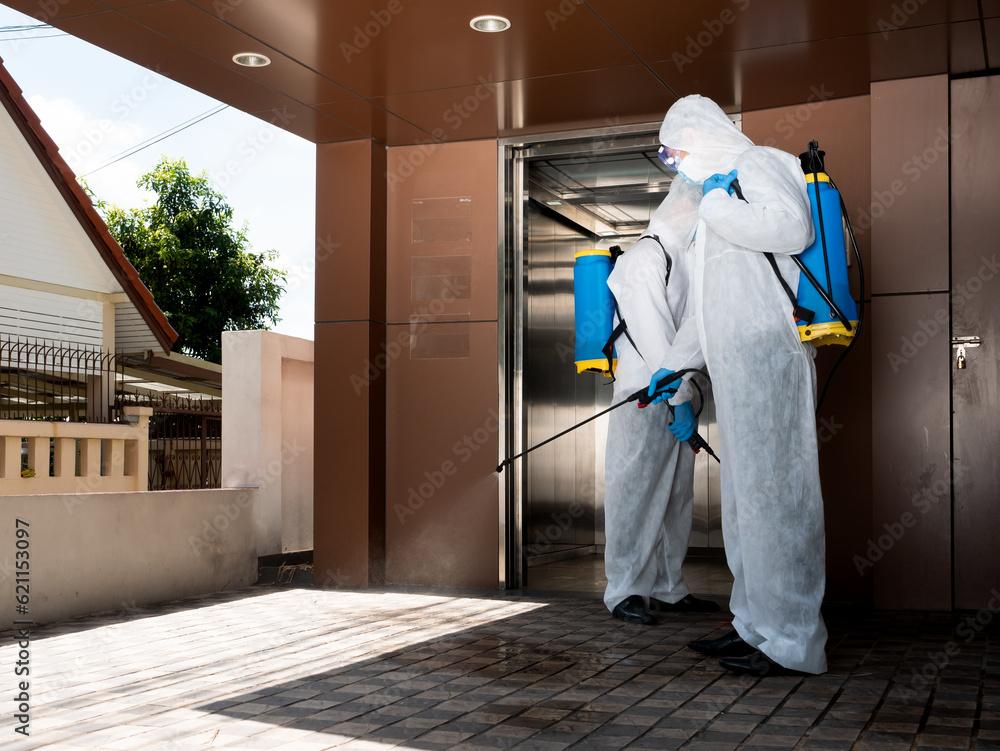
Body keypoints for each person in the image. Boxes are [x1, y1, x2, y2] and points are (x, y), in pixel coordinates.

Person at [648, 95, 828, 675]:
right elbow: (706, 304)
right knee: (746, 509)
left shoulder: (758, 164)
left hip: (770, 359)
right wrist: (675, 364)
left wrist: (722, 199)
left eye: (673, 149)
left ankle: (793, 640)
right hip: (736, 371)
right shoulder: (712, 199)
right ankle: (754, 627)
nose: (673, 162)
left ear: (699, 134)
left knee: (778, 505)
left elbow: (792, 228)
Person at [603, 180, 719, 625]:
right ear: (687, 206)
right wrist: (682, 398)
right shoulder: (643, 259)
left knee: (675, 496)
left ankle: (669, 587)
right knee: (635, 494)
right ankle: (626, 591)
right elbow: (655, 341)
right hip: (644, 395)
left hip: (678, 393)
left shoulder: (689, 259)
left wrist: (689, 394)